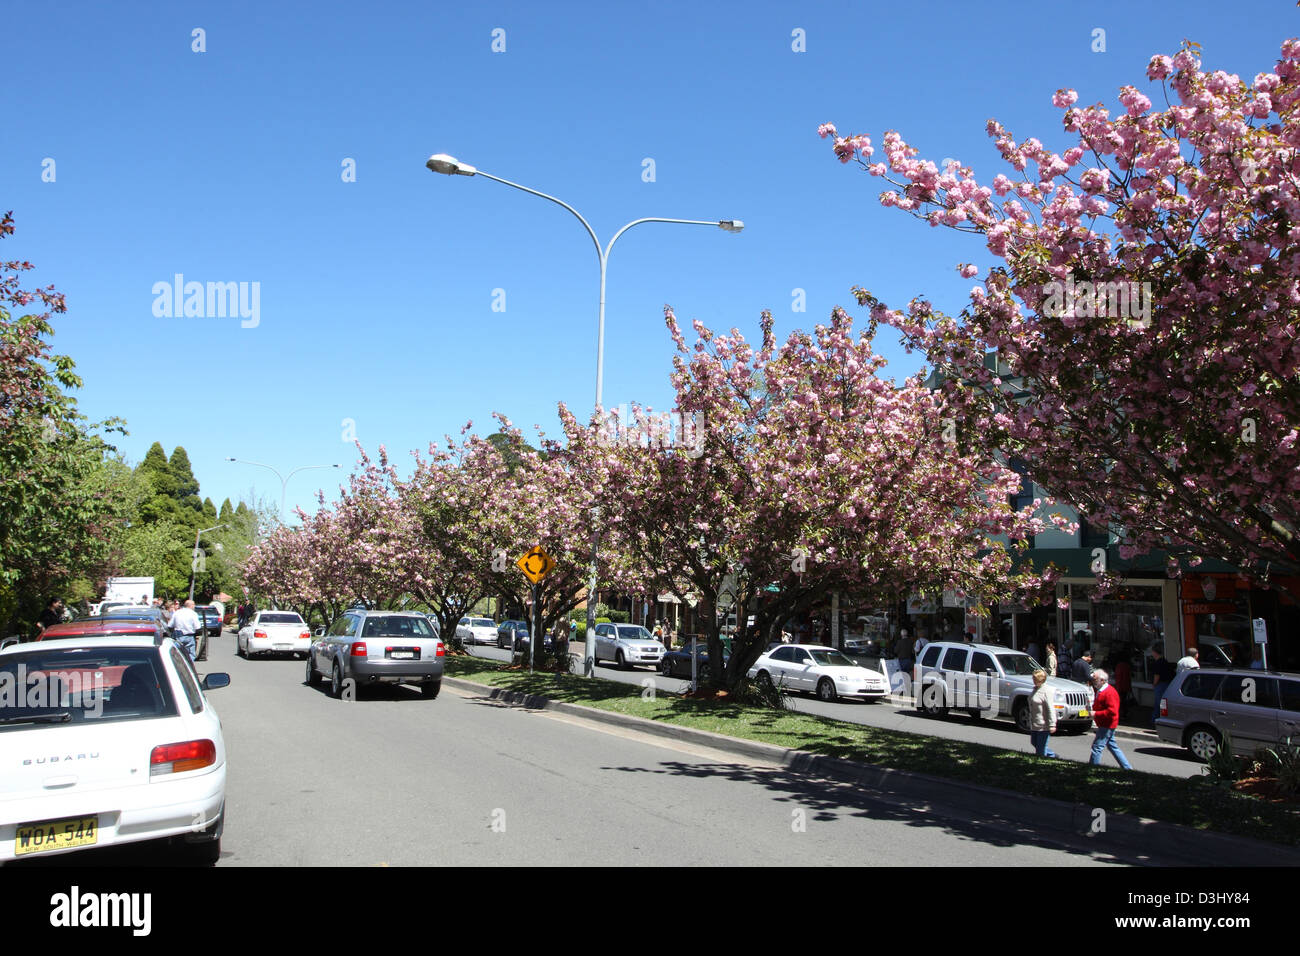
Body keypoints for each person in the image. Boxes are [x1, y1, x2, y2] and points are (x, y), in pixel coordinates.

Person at [1088, 669, 1133, 769]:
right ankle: (1127, 768)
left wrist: (1096, 713)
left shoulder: (1109, 693)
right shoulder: (1101, 690)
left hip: (1107, 724)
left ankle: (1092, 769)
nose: (1093, 681)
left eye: (1095, 680)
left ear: (1103, 680)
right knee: (1112, 746)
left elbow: (1112, 712)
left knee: (1097, 747)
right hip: (1105, 724)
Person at [1028, 669, 1058, 757]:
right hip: (1035, 723)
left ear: (1041, 680)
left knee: (1040, 748)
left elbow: (1050, 708)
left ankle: (1042, 762)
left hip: (1043, 725)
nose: (1034, 681)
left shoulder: (1046, 691)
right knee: (1034, 742)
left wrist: (1052, 724)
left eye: (1035, 679)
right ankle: (1052, 755)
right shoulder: (1035, 689)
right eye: (1033, 679)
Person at [1149, 645, 1176, 727]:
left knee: (1159, 704)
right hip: (1166, 684)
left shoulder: (1158, 662)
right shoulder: (1165, 661)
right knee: (1162, 704)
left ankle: (1154, 721)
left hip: (1161, 685)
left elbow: (1157, 675)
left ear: (1154, 652)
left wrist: (1154, 683)